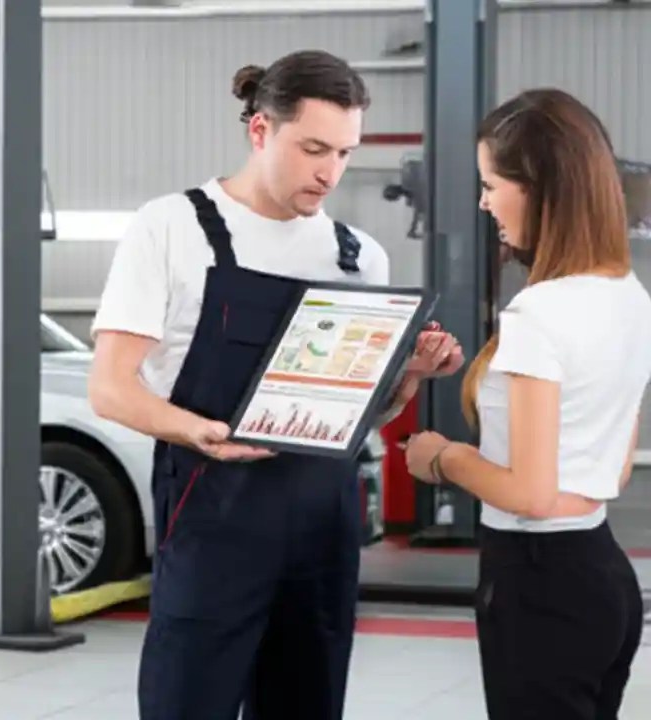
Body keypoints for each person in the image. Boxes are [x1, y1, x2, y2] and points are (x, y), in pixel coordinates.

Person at [87, 49, 463, 719]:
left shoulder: (358, 256)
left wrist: (409, 376)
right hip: (213, 510)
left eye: (345, 152)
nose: (330, 171)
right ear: (260, 130)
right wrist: (196, 430)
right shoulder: (173, 227)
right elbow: (111, 389)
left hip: (322, 521)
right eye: (313, 147)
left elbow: (361, 416)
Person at [404, 88, 650, 720]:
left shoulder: (538, 313)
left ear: (538, 187)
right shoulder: (630, 294)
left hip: (539, 583)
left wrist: (441, 458)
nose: (485, 201)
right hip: (604, 574)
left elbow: (533, 495)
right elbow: (612, 473)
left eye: (492, 183)